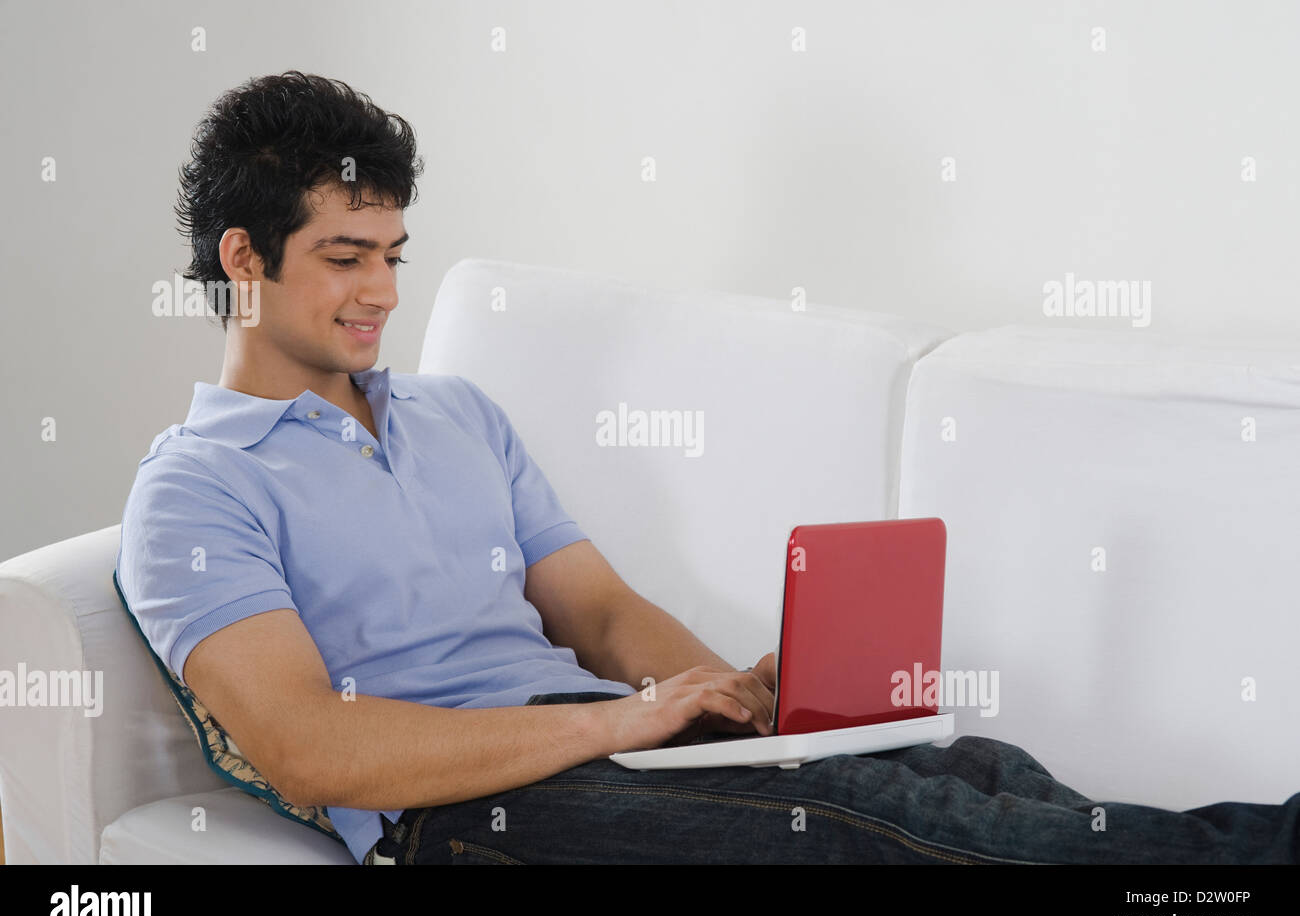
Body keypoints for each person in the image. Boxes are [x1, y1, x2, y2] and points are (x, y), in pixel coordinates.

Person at [116, 71, 1299, 866]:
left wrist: (735, 704)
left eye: (393, 255)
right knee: (854, 826)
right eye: (343, 257)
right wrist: (616, 726)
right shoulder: (196, 491)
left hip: (596, 742)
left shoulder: (453, 413)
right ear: (244, 259)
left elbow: (602, 608)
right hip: (464, 813)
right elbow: (312, 749)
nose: (381, 290)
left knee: (958, 765)